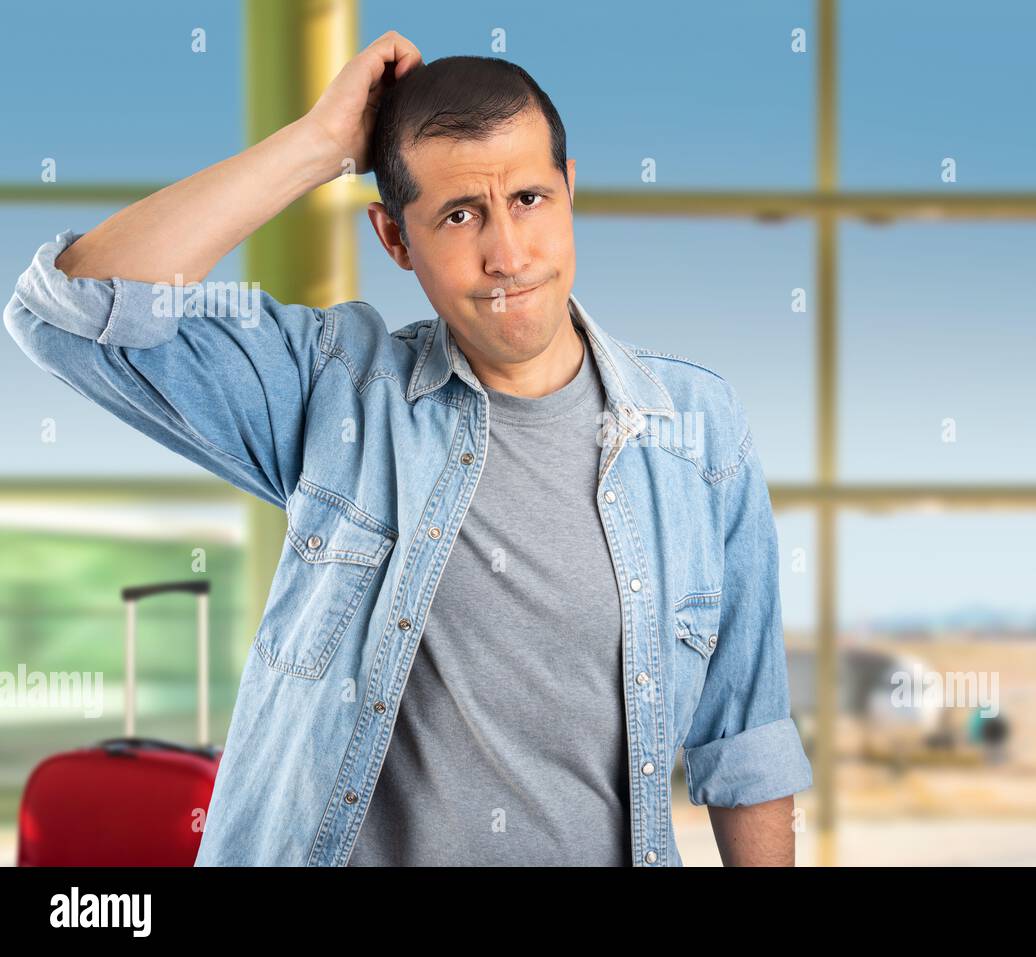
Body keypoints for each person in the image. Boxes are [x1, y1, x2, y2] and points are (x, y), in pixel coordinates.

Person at [4, 31, 812, 866]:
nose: (508, 255)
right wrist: (317, 145)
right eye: (459, 215)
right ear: (395, 239)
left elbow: (744, 739)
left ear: (571, 192)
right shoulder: (337, 391)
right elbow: (68, 308)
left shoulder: (698, 429)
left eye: (530, 199)